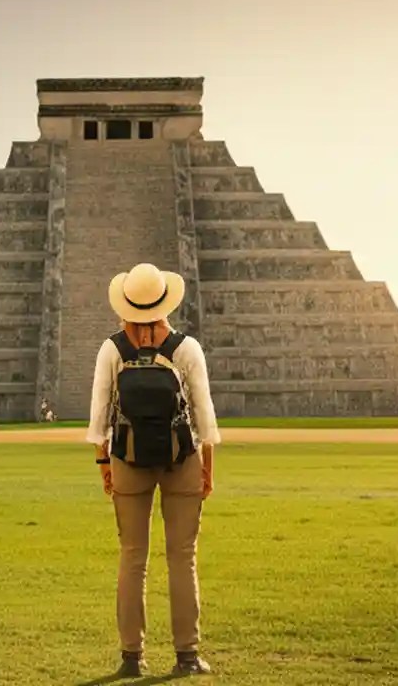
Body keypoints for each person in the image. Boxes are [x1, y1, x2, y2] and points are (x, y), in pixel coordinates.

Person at [88, 262, 220, 678]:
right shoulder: (186, 348)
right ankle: (187, 655)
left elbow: (98, 419)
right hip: (182, 460)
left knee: (132, 558)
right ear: (166, 302)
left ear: (125, 304)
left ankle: (132, 657)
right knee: (183, 558)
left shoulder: (112, 349)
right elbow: (205, 419)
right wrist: (207, 470)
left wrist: (104, 464)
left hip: (127, 458)